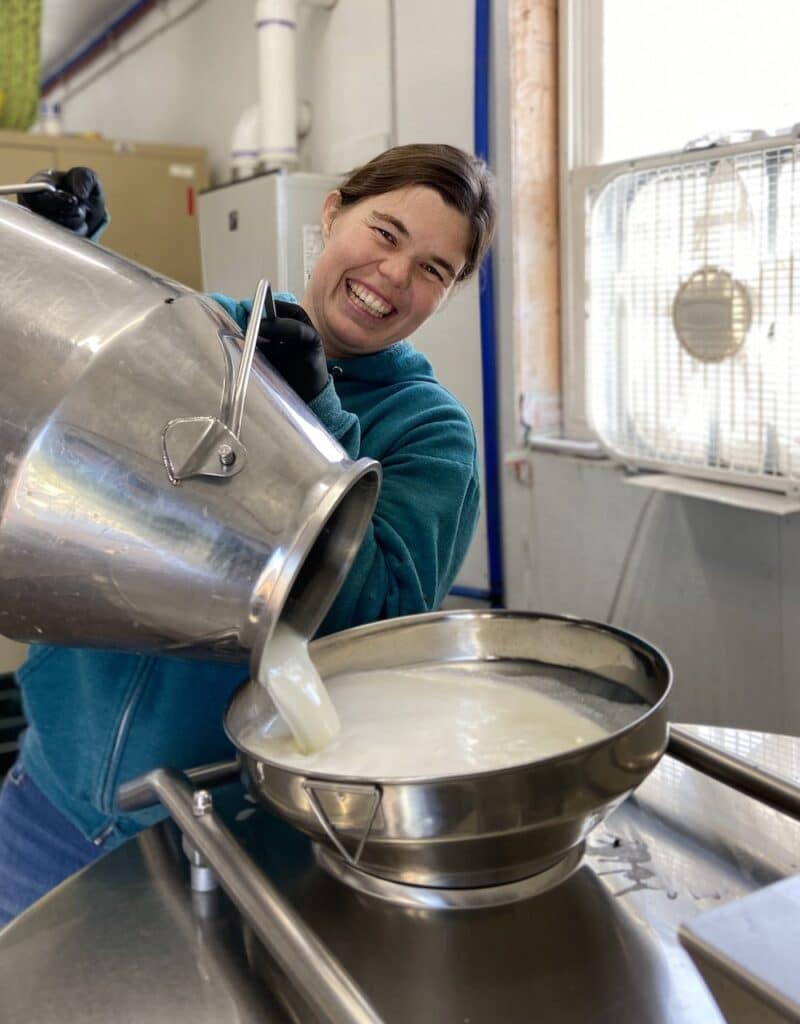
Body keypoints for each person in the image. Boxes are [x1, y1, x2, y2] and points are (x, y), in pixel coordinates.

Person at [0, 144, 496, 925]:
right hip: (45, 801)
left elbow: (367, 628)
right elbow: (73, 412)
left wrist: (316, 419)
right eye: (386, 233)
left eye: (435, 269)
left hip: (218, 837)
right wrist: (56, 260)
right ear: (333, 213)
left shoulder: (432, 435)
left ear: (449, 293)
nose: (395, 276)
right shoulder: (211, 331)